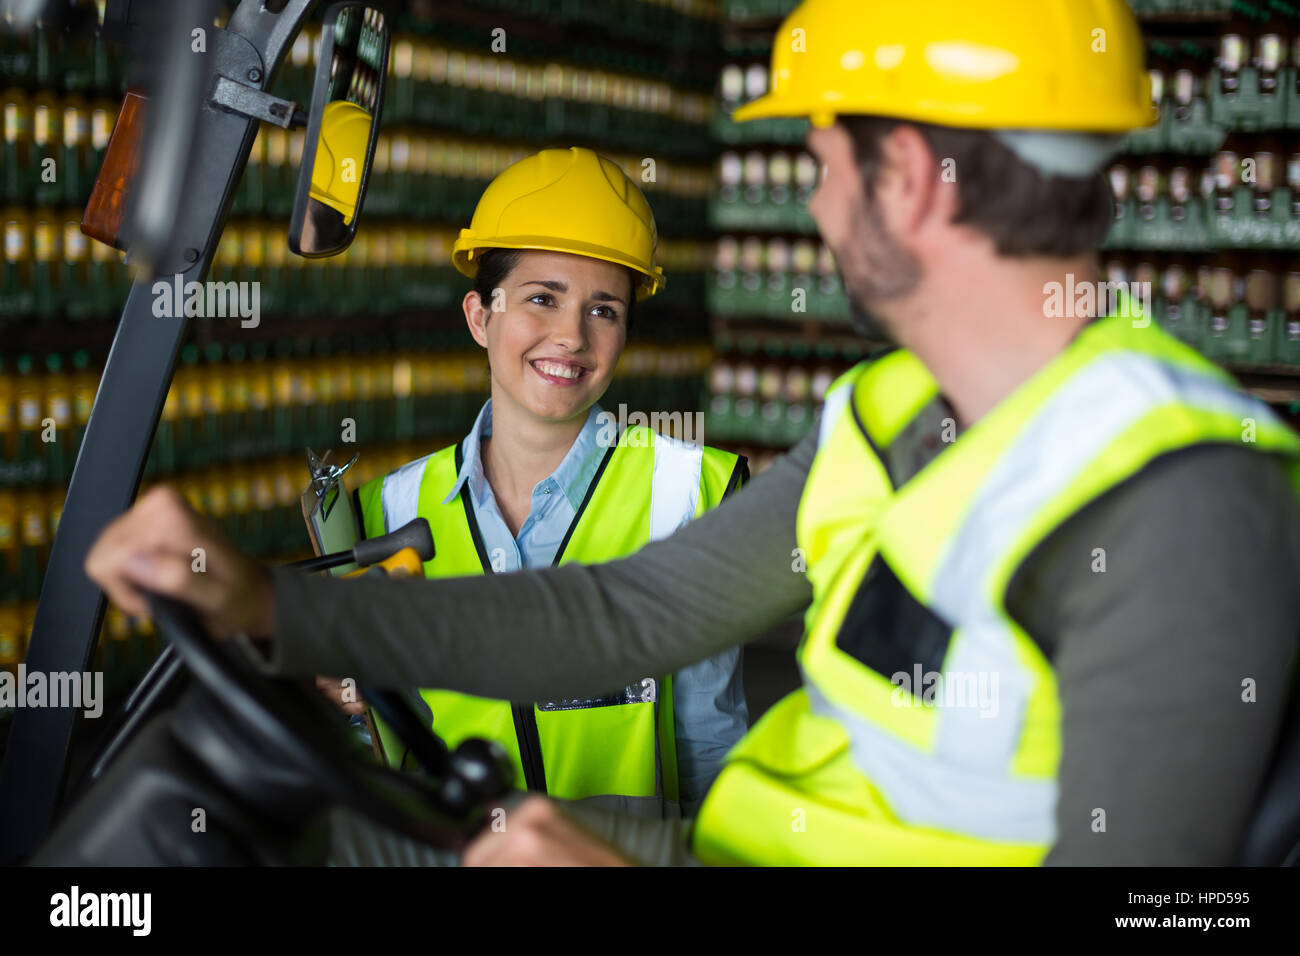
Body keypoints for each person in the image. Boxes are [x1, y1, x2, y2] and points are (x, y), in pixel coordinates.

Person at [87, 0, 1300, 866]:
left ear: (914, 184)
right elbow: (625, 614)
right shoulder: (890, 414)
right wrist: (269, 605)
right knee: (243, 825)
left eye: (824, 162)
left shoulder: (1176, 503)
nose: (815, 205)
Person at [336, 146, 749, 818]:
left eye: (604, 310)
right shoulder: (392, 509)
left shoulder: (688, 494)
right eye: (541, 299)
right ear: (479, 317)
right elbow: (384, 745)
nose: (570, 336)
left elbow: (710, 740)